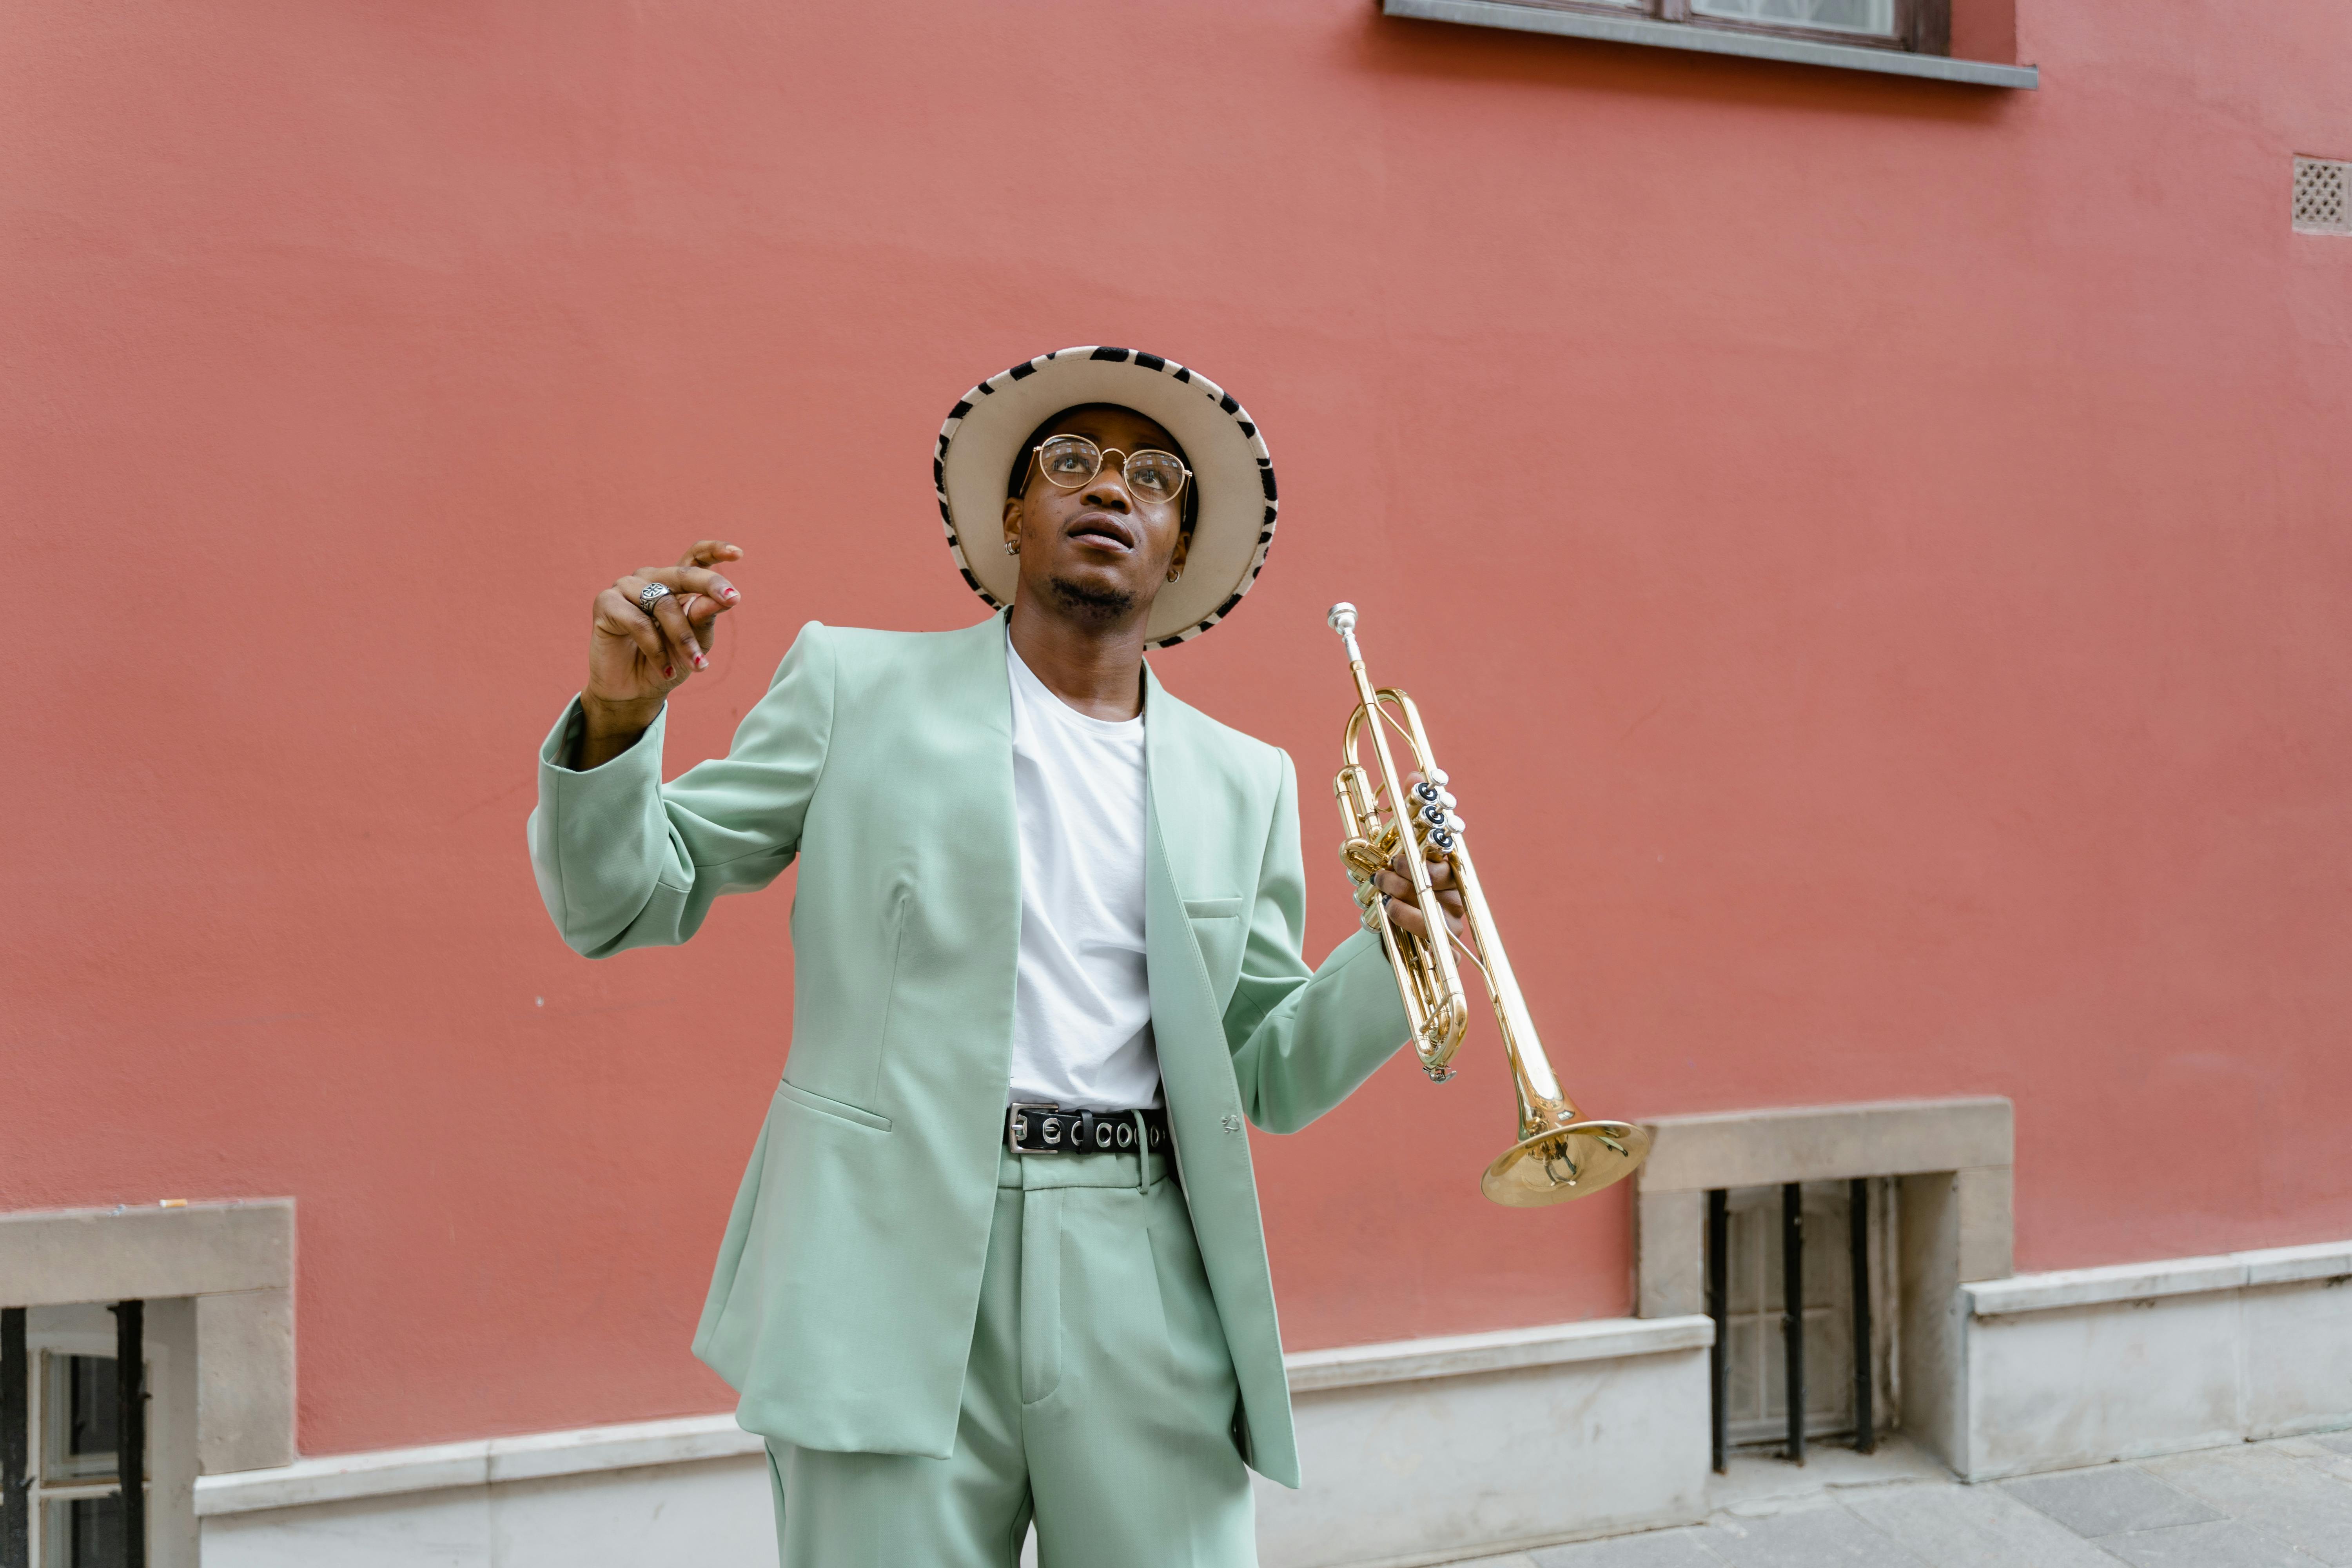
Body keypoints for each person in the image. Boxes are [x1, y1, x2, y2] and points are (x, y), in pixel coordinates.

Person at [527, 347, 1462, 1567]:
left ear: (1179, 547)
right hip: (880, 1262)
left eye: (1154, 477)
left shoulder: (1249, 781)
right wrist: (620, 718)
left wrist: (1400, 953)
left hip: (1145, 1268)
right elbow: (624, 901)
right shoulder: (854, 685)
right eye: (1071, 461)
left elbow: (1267, 1074)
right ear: (1013, 515)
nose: (1111, 487)